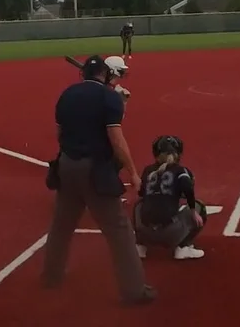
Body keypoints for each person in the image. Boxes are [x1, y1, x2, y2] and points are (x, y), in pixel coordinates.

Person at [41, 55, 154, 305]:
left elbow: (61, 133)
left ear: (83, 74)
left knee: (61, 225)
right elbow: (116, 139)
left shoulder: (67, 95)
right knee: (119, 231)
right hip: (94, 170)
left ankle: (51, 276)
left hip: (66, 166)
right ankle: (134, 291)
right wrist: (133, 173)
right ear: (105, 74)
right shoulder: (108, 97)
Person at [134, 135, 206, 261]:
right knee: (200, 206)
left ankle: (140, 245)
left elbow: (142, 193)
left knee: (139, 204)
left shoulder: (147, 170)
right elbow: (188, 190)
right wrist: (193, 212)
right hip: (171, 233)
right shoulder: (181, 170)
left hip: (145, 231)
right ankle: (183, 248)